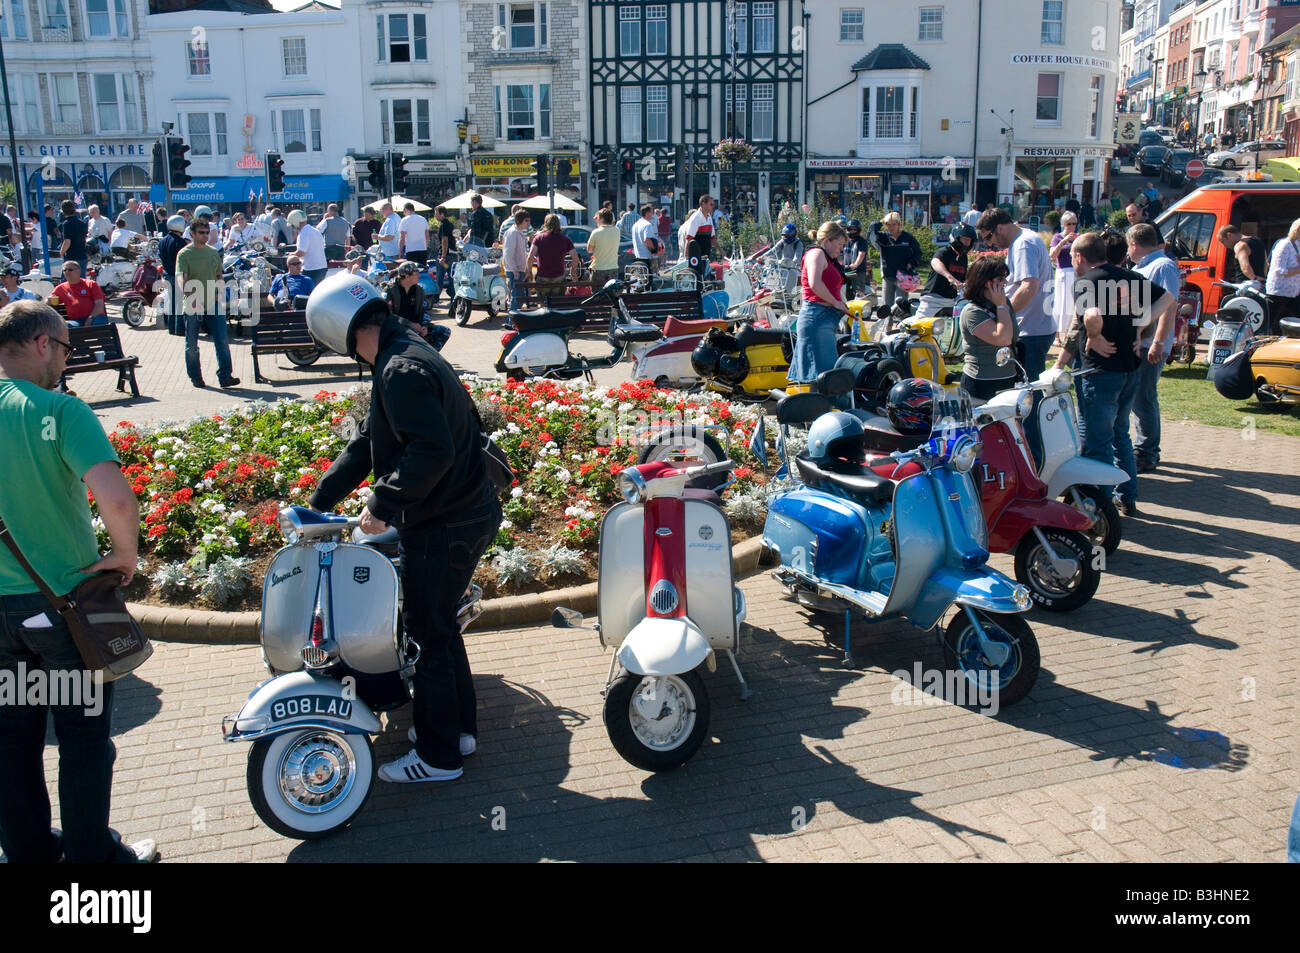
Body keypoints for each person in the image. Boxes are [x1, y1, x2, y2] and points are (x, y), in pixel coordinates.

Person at [306, 274, 500, 784]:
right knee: (439, 624)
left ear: (338, 332)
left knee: (426, 631)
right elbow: (371, 440)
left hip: (446, 521)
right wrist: (319, 501)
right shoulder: (403, 348)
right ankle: (457, 731)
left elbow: (429, 451)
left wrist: (383, 504)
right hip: (464, 510)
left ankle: (438, 759)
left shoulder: (398, 367)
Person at [0, 300, 157, 864]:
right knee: (83, 738)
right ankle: (94, 858)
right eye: (65, 348)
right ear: (43, 343)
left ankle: (27, 854)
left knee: (12, 741)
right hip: (60, 612)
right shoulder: (59, 412)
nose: (65, 362)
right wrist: (124, 555)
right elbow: (116, 496)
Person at [1054, 232, 1175, 517]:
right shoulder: (1130, 277)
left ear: (1080, 257)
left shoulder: (1086, 281)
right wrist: (1140, 325)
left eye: (1073, 258)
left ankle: (1098, 507)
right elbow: (1168, 298)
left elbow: (1092, 315)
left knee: (1097, 441)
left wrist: (1094, 334)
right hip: (1129, 369)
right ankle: (1127, 497)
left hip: (1099, 371)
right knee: (1121, 434)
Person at [1127, 223, 1182, 475]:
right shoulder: (1145, 266)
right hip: (1143, 341)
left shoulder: (1163, 266)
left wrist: (1159, 341)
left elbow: (1169, 305)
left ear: (1135, 244)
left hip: (1151, 344)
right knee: (1139, 396)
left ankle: (1147, 452)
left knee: (1144, 397)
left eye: (1129, 246)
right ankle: (1145, 448)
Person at [978, 207, 1055, 375]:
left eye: (989, 237)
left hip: (1029, 330)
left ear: (1000, 227)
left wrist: (1003, 313)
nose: (989, 244)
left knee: (1028, 392)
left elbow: (1028, 287)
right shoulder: (1024, 238)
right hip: (1035, 327)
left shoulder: (1022, 245)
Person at [175, 217, 238, 389]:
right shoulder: (184, 254)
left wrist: (220, 295)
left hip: (213, 302)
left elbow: (219, 276)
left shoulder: (212, 252)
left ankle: (225, 376)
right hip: (193, 303)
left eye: (207, 233)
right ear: (192, 234)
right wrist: (191, 297)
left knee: (222, 340)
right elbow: (181, 279)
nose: (205, 236)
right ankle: (196, 377)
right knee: (192, 344)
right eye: (201, 233)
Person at [788, 221, 853, 386]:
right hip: (816, 318)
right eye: (839, 245)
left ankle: (820, 409)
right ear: (827, 241)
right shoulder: (816, 254)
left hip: (823, 319)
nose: (841, 250)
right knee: (825, 377)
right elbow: (815, 283)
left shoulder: (826, 257)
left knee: (822, 378)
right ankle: (821, 410)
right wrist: (836, 303)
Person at [958, 255, 1018, 399]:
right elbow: (1003, 338)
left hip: (1009, 378)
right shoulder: (972, 311)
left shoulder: (1003, 303)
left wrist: (1002, 305)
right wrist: (1001, 306)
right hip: (981, 383)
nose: (1005, 282)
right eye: (1000, 279)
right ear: (986, 283)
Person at [869, 211, 922, 312]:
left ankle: (902, 325)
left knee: (901, 306)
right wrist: (881, 222)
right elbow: (870, 233)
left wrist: (911, 263)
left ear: (899, 224)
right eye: (888, 224)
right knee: (886, 306)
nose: (891, 227)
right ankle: (887, 326)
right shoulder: (883, 237)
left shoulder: (908, 237)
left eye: (894, 224)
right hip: (888, 275)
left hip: (903, 277)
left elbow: (918, 253)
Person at [919, 223, 974, 316]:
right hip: (932, 299)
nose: (967, 243)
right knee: (919, 327)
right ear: (956, 238)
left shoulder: (963, 258)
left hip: (952, 301)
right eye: (965, 239)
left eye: (970, 240)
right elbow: (935, 262)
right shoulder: (944, 252)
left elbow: (964, 278)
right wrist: (950, 278)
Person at [527, 213, 577, 300]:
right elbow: (575, 258)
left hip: (543, 277)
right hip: (559, 277)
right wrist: (572, 272)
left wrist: (529, 273)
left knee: (543, 304)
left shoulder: (538, 238)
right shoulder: (565, 240)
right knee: (557, 303)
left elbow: (530, 257)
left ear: (546, 224)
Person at [1264, 217, 1300, 337]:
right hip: (1278, 292)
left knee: (1294, 321)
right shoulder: (1285, 244)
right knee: (1273, 323)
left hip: (1294, 292)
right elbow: (1278, 270)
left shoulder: (1298, 245)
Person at [1050, 211, 1080, 339]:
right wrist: (1064, 241)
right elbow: (1052, 256)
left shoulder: (1078, 237)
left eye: (1074, 224)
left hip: (1075, 272)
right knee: (1060, 302)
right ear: (1063, 224)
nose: (1072, 226)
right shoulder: (1057, 237)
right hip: (1063, 272)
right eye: (1069, 224)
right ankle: (1056, 335)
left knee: (1072, 304)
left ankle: (1068, 333)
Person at [52, 262, 106, 329]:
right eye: (64, 270)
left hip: (95, 317)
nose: (67, 272)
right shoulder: (60, 288)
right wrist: (48, 300)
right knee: (67, 326)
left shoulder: (91, 284)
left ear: (79, 271)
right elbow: (49, 300)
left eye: (70, 270)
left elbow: (99, 304)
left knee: (98, 323)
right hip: (76, 321)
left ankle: (103, 340)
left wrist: (90, 318)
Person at [385, 261, 428, 336]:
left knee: (443, 331)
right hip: (396, 328)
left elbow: (424, 311)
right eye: (416, 274)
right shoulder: (390, 290)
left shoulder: (419, 291)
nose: (419, 276)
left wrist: (424, 326)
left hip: (415, 327)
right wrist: (409, 324)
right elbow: (387, 315)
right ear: (407, 276)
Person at [682, 194, 716, 284]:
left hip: (705, 255)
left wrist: (721, 251)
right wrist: (687, 256)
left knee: (705, 277)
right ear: (703, 204)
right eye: (711, 204)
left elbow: (712, 238)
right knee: (698, 279)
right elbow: (689, 239)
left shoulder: (709, 218)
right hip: (696, 255)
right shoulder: (696, 218)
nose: (713, 207)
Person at [289, 209, 328, 286]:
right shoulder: (314, 230)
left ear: (295, 222)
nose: (293, 228)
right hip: (322, 267)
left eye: (292, 225)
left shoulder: (304, 232)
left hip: (311, 268)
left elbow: (301, 252)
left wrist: (290, 255)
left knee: (308, 294)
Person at [502, 209, 530, 312]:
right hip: (515, 269)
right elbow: (508, 253)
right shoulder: (513, 232)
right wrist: (514, 270)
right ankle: (511, 320)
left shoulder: (517, 232)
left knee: (518, 295)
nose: (528, 223)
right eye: (526, 220)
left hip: (518, 268)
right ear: (520, 220)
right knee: (516, 295)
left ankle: (513, 319)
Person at [588, 207, 623, 288]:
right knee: (611, 294)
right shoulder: (617, 231)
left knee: (597, 294)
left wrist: (597, 222)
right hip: (613, 268)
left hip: (598, 269)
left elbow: (589, 250)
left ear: (601, 219)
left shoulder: (596, 232)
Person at [840, 219, 872, 299]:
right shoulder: (845, 240)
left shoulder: (862, 241)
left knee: (858, 292)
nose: (852, 231)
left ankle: (860, 310)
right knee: (845, 292)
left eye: (855, 229)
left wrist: (855, 264)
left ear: (858, 230)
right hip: (847, 270)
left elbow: (861, 254)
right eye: (850, 229)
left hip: (858, 271)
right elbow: (839, 253)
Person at [57, 201, 88, 275]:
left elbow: (67, 241)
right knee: (81, 281)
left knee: (68, 281)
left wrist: (61, 253)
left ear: (63, 210)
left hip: (71, 256)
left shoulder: (66, 223)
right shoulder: (81, 222)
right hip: (82, 255)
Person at [434, 206, 457, 299]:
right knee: (451, 276)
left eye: (436, 213)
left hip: (445, 256)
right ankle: (453, 296)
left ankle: (435, 298)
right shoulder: (450, 224)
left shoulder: (443, 225)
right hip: (451, 254)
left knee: (440, 276)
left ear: (442, 214)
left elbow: (445, 240)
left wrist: (443, 256)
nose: (435, 215)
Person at [629, 204, 658, 274]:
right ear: (647, 213)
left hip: (637, 257)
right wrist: (654, 249)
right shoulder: (647, 225)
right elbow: (647, 239)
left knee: (640, 280)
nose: (653, 214)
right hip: (647, 257)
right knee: (649, 280)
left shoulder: (635, 225)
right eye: (652, 212)